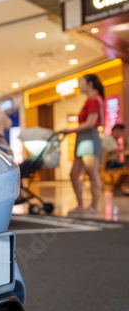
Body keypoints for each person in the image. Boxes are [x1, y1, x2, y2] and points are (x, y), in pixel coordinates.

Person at [58, 73, 104, 215]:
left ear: (90, 84)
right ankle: (81, 204)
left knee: (92, 174)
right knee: (74, 174)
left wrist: (70, 130)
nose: (79, 85)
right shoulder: (89, 100)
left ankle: (94, 206)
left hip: (89, 138)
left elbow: (90, 123)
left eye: (81, 82)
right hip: (83, 139)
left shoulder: (95, 100)